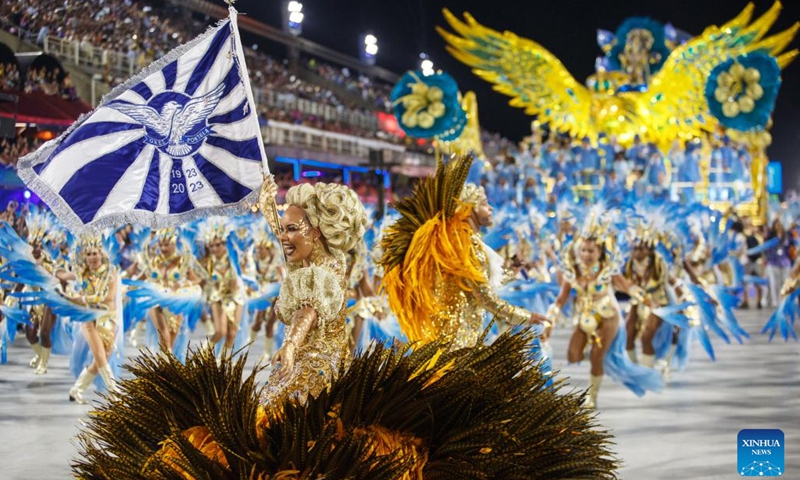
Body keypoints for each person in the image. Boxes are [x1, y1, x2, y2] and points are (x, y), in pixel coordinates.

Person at [262, 182, 367, 404]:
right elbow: (290, 240)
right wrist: (266, 206)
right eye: (282, 229)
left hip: (312, 381)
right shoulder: (316, 260)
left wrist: (291, 344)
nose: (282, 237)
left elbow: (308, 310)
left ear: (316, 232)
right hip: (308, 369)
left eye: (291, 229)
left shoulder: (323, 274)